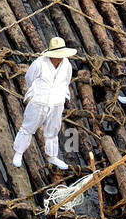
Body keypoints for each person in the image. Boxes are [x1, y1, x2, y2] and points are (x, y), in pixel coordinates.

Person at [11, 37, 77, 171]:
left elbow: (66, 81)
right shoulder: (39, 63)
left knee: (53, 129)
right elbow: (29, 78)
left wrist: (59, 93)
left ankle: (52, 156)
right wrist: (37, 91)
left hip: (57, 102)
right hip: (39, 101)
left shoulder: (67, 65)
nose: (60, 58)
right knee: (28, 127)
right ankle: (19, 152)